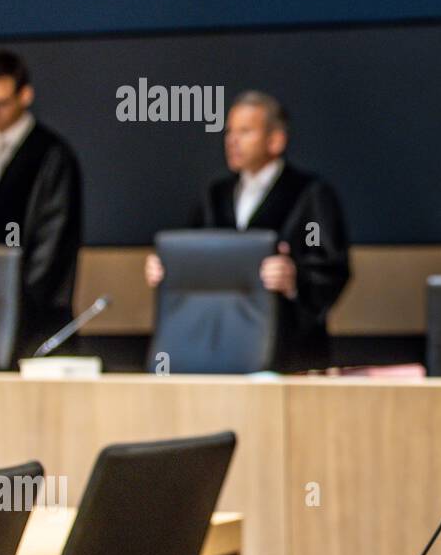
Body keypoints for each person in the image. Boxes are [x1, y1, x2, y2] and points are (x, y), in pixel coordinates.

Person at [145, 90, 350, 371]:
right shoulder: (214, 195)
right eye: (230, 132)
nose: (232, 141)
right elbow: (196, 251)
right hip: (219, 345)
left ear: (275, 139)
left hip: (288, 348)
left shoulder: (308, 194)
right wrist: (169, 267)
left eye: (245, 131)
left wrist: (296, 278)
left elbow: (328, 264)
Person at [0, 50, 83, 360]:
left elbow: (53, 245)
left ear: (24, 95)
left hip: (37, 321)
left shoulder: (52, 156)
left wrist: (11, 300)